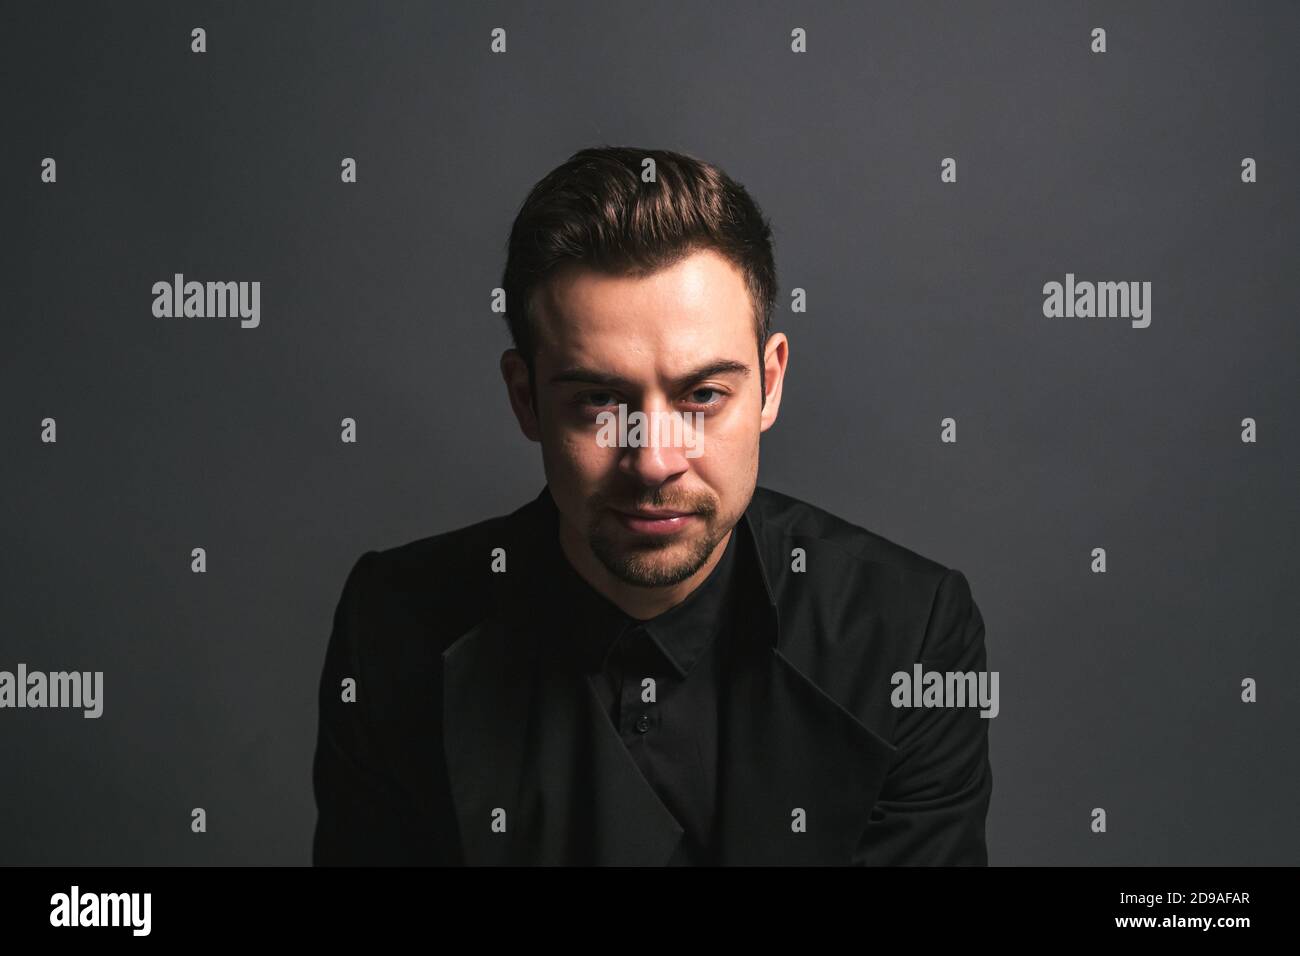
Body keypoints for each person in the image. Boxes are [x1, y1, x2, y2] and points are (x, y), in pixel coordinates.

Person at [311, 146, 992, 865]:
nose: (655, 460)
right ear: (526, 399)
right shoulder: (393, 629)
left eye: (703, 396)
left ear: (770, 384)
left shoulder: (909, 633)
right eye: (601, 401)